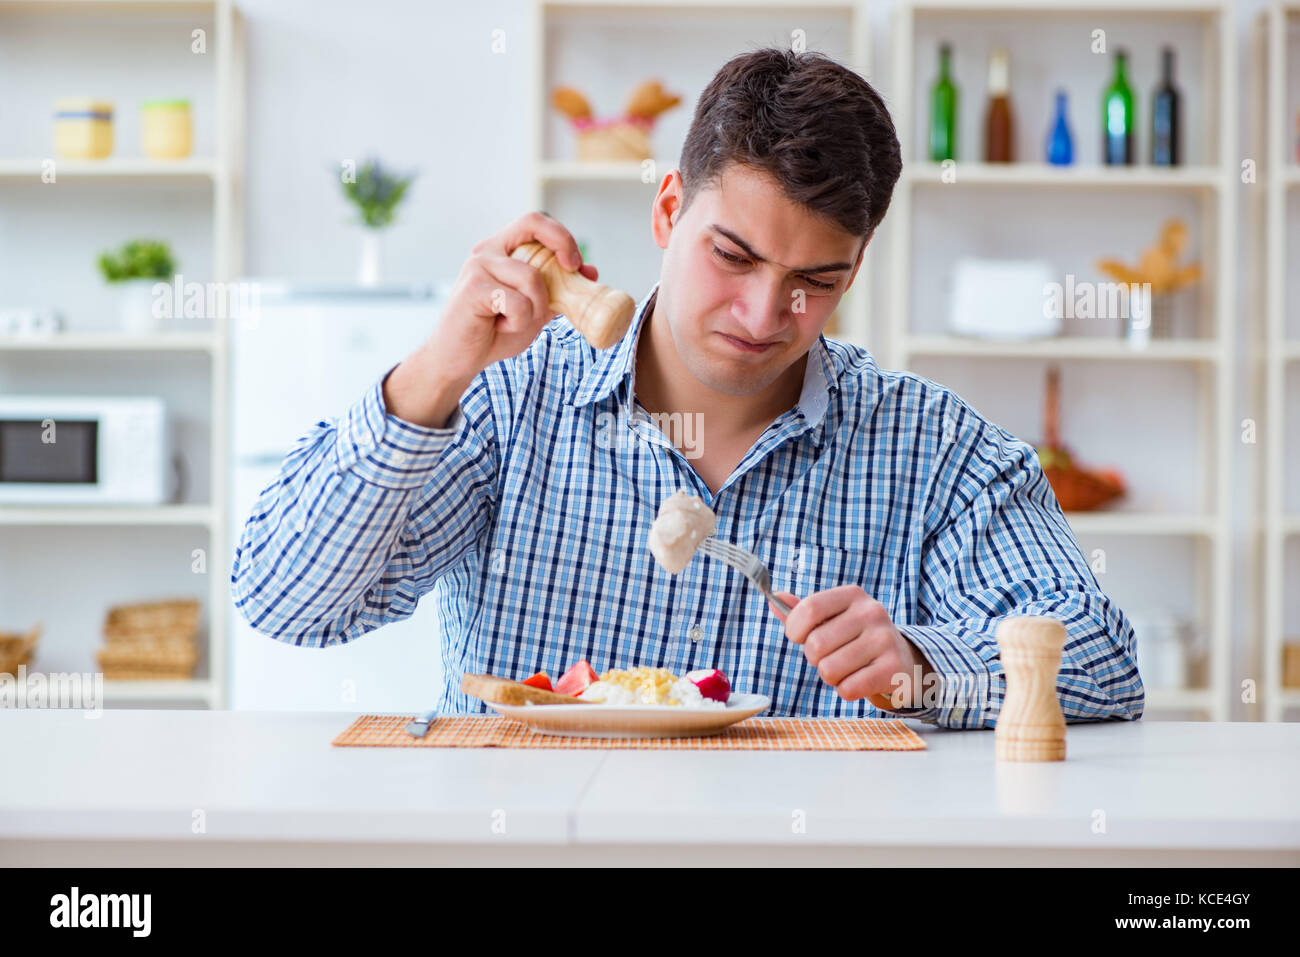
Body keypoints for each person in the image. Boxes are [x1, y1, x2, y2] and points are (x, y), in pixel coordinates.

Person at [232, 48, 1143, 726]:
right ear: (669, 209)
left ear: (854, 271)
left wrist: (922, 664)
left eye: (813, 281)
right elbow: (284, 600)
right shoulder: (509, 399)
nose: (762, 312)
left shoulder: (935, 448)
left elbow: (1105, 666)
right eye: (733, 256)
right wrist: (437, 367)